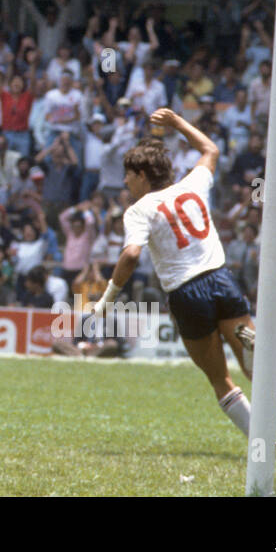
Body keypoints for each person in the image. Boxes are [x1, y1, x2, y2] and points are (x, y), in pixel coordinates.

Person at [93, 108, 255, 439]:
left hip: (186, 293)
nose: (125, 182)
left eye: (128, 175)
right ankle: (254, 357)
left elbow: (131, 254)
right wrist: (178, 122)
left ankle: (261, 441)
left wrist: (107, 298)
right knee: (256, 371)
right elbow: (211, 149)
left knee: (219, 379)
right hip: (221, 279)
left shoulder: (139, 210)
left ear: (141, 174)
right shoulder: (193, 184)